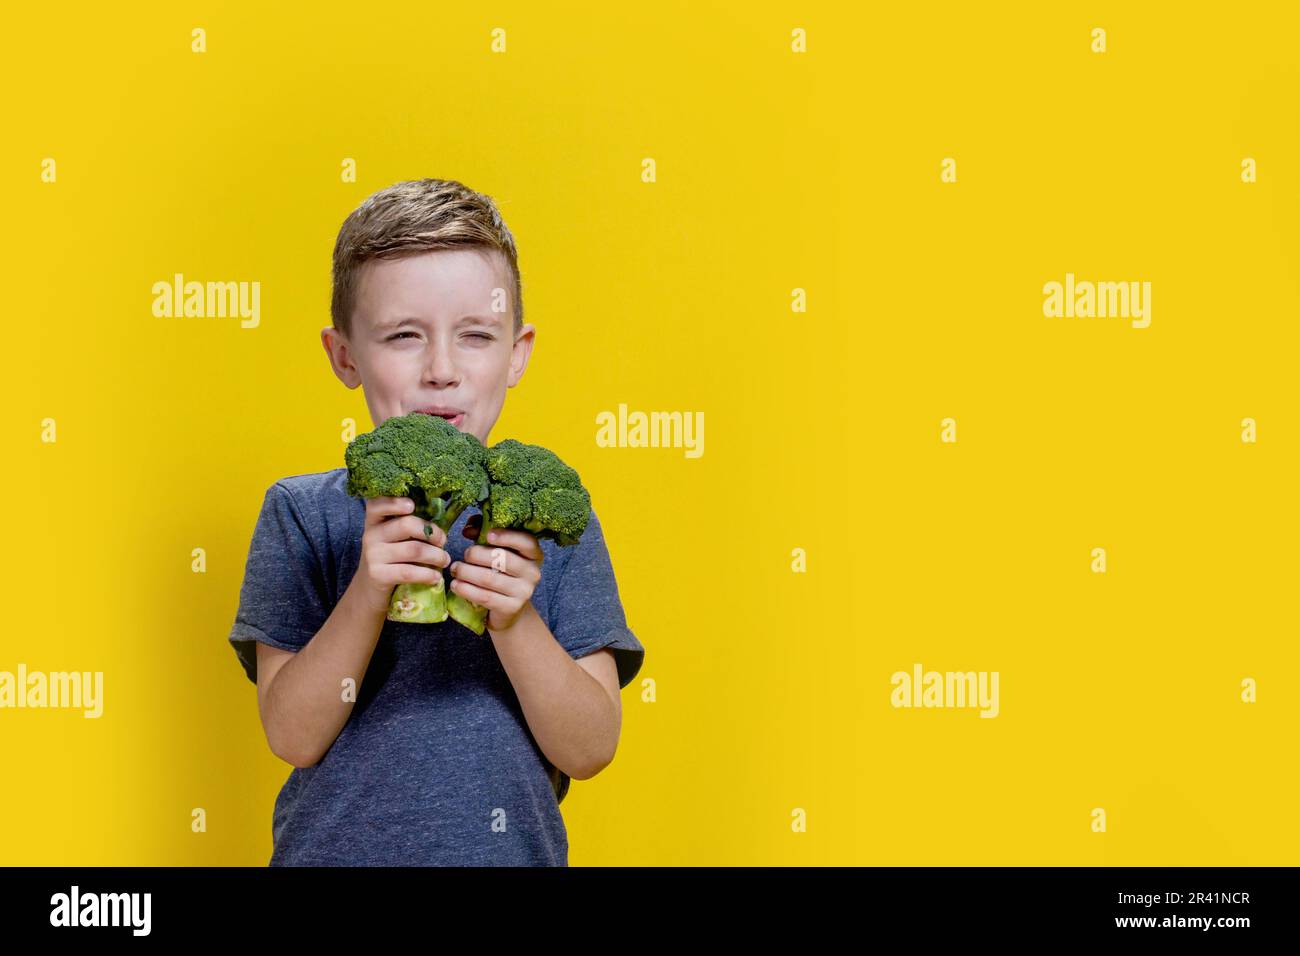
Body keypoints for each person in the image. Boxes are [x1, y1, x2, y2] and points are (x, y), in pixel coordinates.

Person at [226, 178, 645, 865]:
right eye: (403, 336)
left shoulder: (551, 525)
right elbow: (293, 736)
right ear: (345, 356)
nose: (442, 370)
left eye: (476, 335)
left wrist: (516, 621)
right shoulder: (301, 515)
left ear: (517, 353)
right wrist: (366, 592)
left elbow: (590, 748)